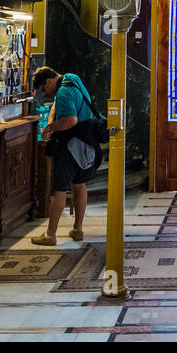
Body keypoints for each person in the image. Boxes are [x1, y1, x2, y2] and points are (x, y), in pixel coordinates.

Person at [32, 66, 99, 246]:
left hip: (70, 146)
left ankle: (50, 235)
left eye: (44, 89)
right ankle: (77, 229)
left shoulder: (62, 92)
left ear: (48, 81)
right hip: (88, 142)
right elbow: (57, 105)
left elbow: (70, 120)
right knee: (79, 184)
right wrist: (51, 119)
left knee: (59, 189)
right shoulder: (72, 77)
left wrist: (50, 128)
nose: (46, 93)